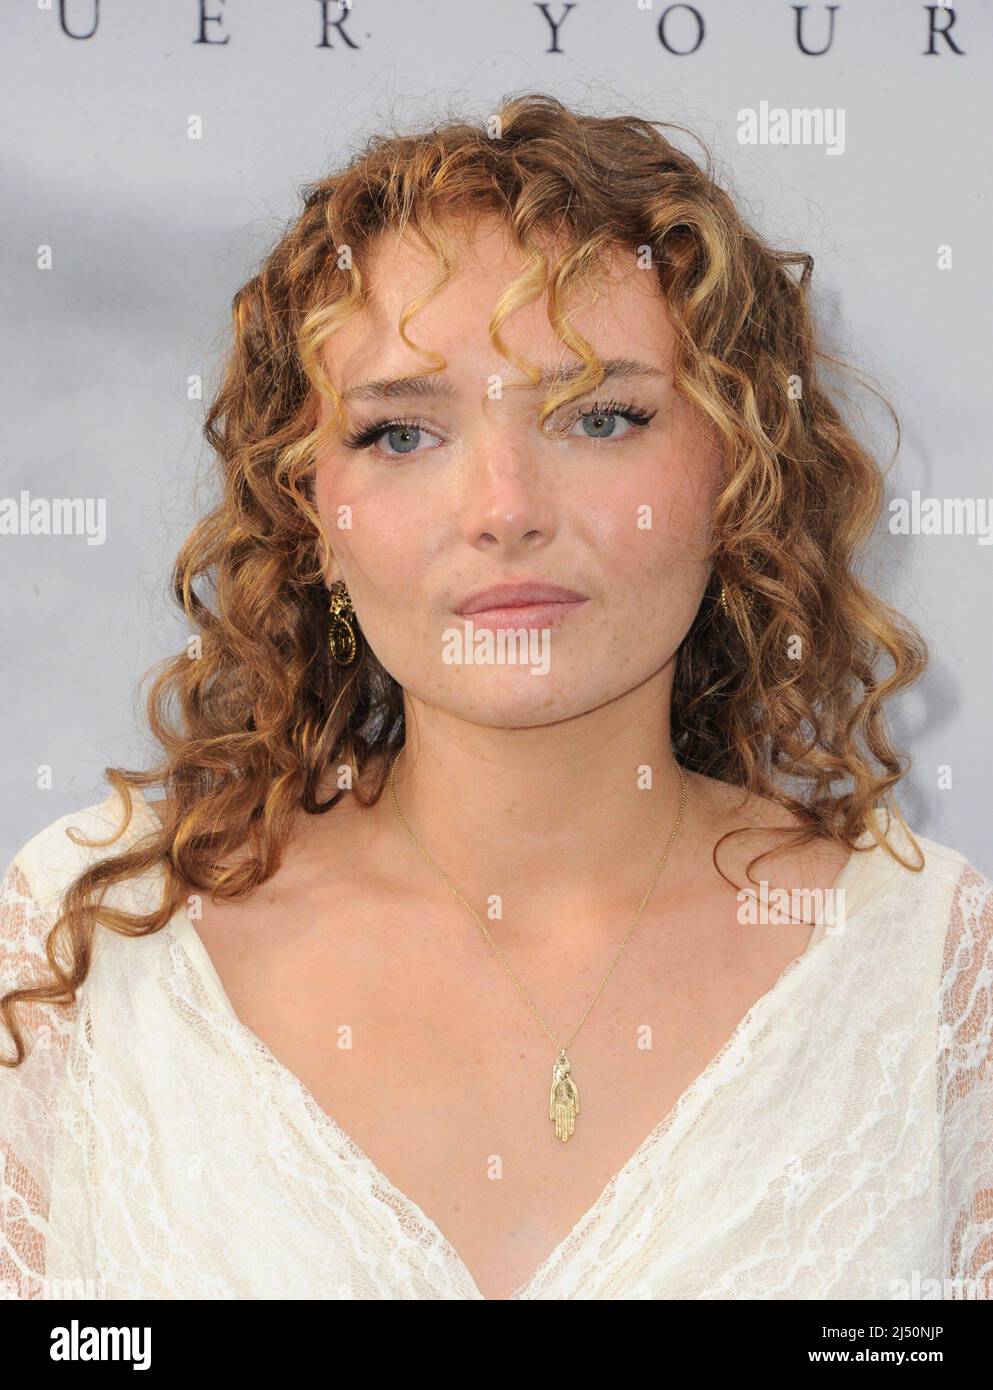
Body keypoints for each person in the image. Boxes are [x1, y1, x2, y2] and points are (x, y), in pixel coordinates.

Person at [1, 93, 990, 1302]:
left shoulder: (932, 972)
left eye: (602, 416)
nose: (505, 506)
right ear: (308, 508)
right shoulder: (82, 947)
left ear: (741, 476)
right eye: (403, 434)